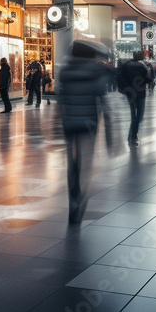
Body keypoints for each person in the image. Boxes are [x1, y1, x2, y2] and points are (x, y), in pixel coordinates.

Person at [59, 40, 109, 223]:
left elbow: (61, 98)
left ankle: (73, 197)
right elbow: (102, 97)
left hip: (69, 122)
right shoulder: (96, 70)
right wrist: (110, 128)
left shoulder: (65, 70)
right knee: (85, 162)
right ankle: (80, 197)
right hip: (88, 123)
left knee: (72, 162)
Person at [118, 51, 151, 144]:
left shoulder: (126, 65)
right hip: (140, 93)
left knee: (133, 114)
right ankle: (133, 135)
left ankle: (132, 135)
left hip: (130, 93)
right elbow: (148, 78)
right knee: (139, 115)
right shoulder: (142, 66)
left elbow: (120, 76)